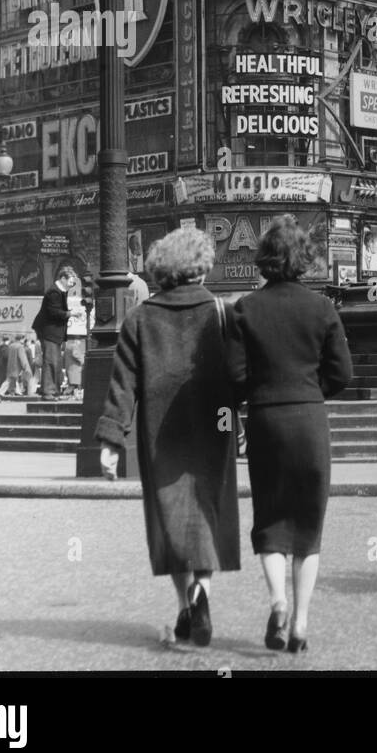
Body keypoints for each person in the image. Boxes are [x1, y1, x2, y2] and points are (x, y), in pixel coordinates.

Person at [96, 229, 242, 648]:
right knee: (209, 509)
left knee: (171, 515)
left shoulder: (139, 318)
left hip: (160, 429)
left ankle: (183, 605)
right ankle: (203, 594)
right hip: (216, 423)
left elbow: (122, 386)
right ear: (202, 265)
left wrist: (110, 440)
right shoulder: (222, 312)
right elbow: (239, 374)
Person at [229, 215, 354, 652]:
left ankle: (278, 602)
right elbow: (343, 373)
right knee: (307, 527)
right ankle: (300, 624)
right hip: (308, 420)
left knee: (271, 520)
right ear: (304, 259)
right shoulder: (323, 307)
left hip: (265, 421)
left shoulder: (245, 308)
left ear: (264, 260)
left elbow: (234, 373)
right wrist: (308, 392)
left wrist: (263, 393)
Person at [32, 266, 77, 401]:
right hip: (49, 332)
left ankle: (53, 391)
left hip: (52, 332)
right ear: (63, 278)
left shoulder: (60, 291)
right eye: (71, 282)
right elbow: (54, 312)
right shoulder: (54, 292)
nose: (72, 284)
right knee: (51, 361)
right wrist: (71, 313)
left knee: (55, 361)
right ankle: (49, 392)